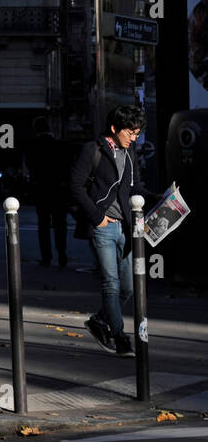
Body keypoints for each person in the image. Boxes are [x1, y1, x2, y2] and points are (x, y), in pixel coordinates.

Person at [69, 105, 148, 357]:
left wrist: (158, 196)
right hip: (102, 227)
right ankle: (120, 337)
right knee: (111, 284)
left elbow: (132, 189)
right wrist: (97, 217)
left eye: (137, 133)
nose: (133, 138)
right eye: (130, 132)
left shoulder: (129, 153)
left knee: (128, 287)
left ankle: (98, 321)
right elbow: (75, 186)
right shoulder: (93, 150)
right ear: (114, 129)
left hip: (124, 227)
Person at [25, 117, 68, 267]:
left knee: (43, 224)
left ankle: (46, 256)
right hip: (59, 190)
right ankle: (62, 254)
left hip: (42, 189)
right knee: (60, 224)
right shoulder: (60, 145)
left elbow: (30, 167)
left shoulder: (32, 146)